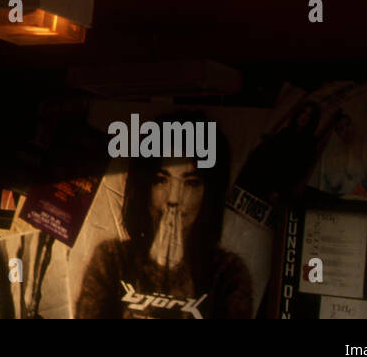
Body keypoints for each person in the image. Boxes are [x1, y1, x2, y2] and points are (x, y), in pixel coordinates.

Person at [74, 122, 252, 319]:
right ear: (144, 187)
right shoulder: (110, 260)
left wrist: (174, 278)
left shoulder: (229, 274)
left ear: (209, 192)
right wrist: (154, 272)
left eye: (191, 183)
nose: (173, 199)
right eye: (161, 180)